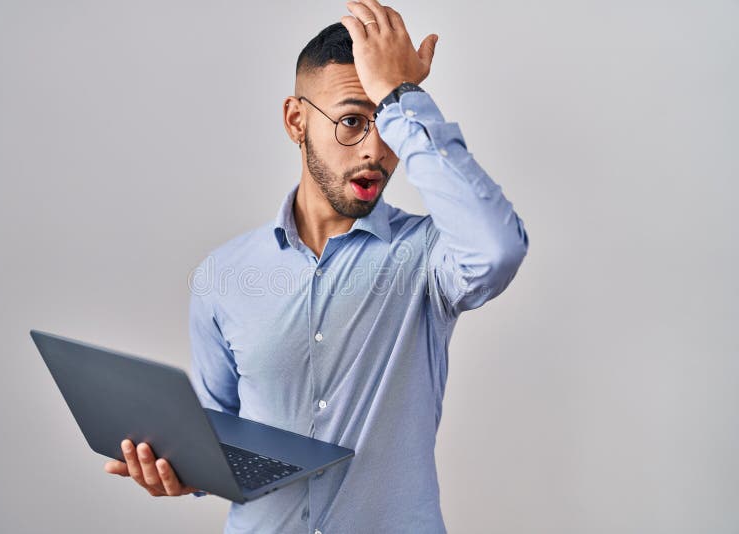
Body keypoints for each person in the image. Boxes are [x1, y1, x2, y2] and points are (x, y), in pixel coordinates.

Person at [105, 1, 529, 532]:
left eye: (388, 127)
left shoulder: (426, 257)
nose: (376, 150)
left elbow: (497, 250)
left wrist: (404, 98)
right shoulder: (224, 274)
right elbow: (218, 435)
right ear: (295, 120)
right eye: (352, 121)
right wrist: (183, 471)